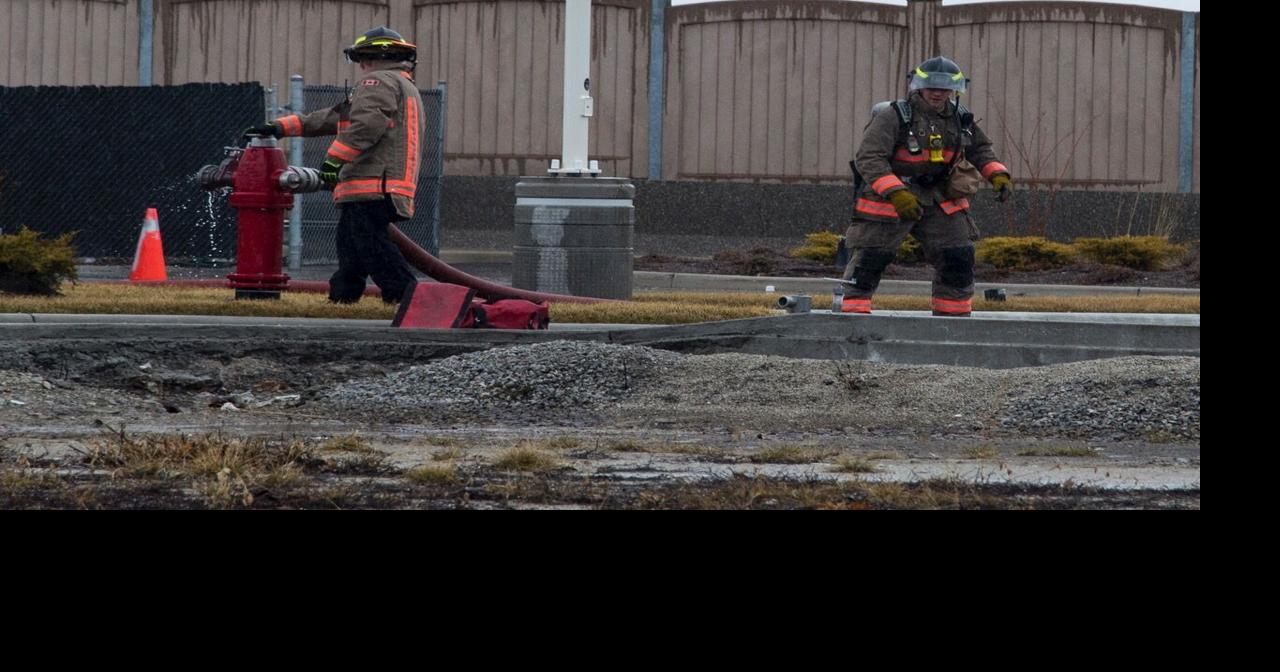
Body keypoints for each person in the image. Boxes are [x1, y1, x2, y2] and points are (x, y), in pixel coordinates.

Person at [245, 27, 425, 304]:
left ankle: (407, 298)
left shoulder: (377, 82)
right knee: (351, 248)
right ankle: (343, 299)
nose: (360, 66)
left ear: (373, 57)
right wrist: (278, 127)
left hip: (373, 184)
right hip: (384, 184)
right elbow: (331, 118)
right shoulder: (402, 85)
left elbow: (366, 127)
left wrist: (333, 160)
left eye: (361, 58)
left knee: (372, 246)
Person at [841, 56, 1013, 316]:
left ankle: (953, 320)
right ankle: (851, 318)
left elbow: (981, 150)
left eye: (944, 88)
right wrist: (896, 193)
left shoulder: (960, 118)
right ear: (919, 86)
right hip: (891, 199)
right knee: (871, 257)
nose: (938, 93)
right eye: (932, 87)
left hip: (940, 197)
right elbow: (869, 158)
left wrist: (997, 175)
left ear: (953, 90)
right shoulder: (894, 116)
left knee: (958, 256)